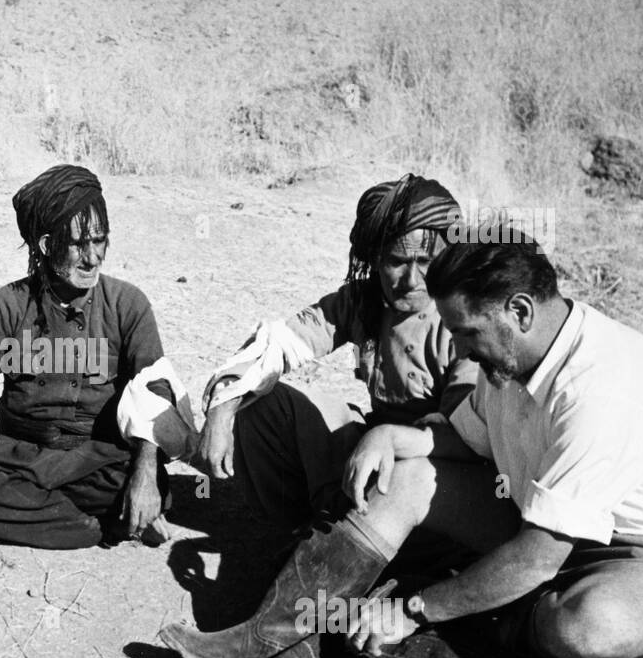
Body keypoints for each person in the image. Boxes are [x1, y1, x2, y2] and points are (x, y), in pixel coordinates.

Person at [165, 228, 643, 658]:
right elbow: (466, 440)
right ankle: (271, 633)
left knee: (589, 627)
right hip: (536, 520)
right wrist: (392, 437)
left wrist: (413, 611)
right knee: (407, 474)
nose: (461, 350)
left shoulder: (602, 392)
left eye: (467, 333)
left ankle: (493, 608)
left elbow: (540, 557)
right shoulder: (513, 357)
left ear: (519, 311)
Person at [0, 164, 194, 549]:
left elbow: (155, 387)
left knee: (149, 480)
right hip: (17, 454)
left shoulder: (127, 305)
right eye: (79, 244)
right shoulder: (8, 305)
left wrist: (144, 470)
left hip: (96, 459)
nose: (93, 257)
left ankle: (43, 517)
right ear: (47, 246)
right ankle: (91, 527)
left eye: (100, 241)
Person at [197, 174, 476, 530]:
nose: (411, 280)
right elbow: (282, 341)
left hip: (435, 470)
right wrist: (222, 408)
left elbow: (469, 438)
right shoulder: (362, 301)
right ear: (375, 259)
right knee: (265, 402)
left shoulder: (465, 318)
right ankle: (293, 532)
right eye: (396, 261)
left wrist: (391, 441)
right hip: (372, 445)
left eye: (425, 261)